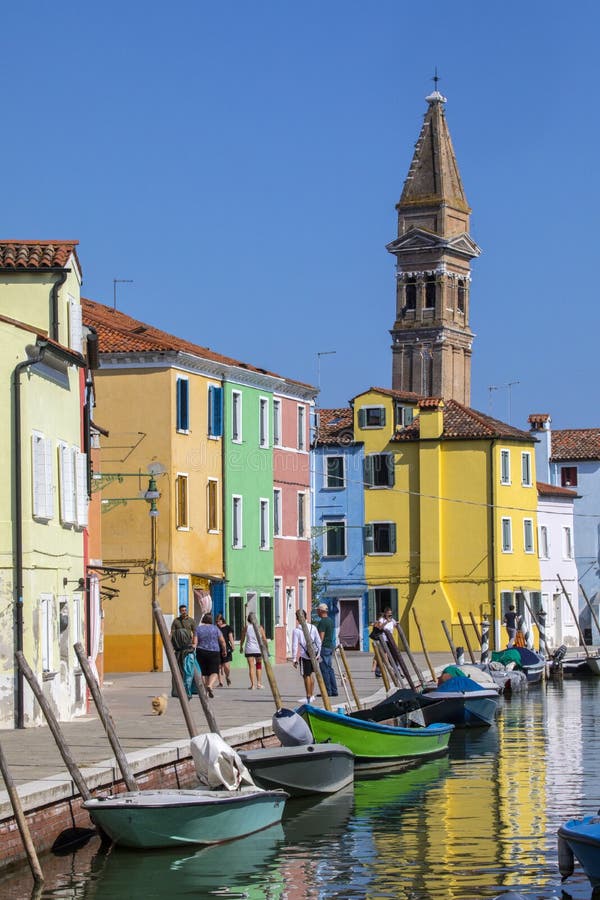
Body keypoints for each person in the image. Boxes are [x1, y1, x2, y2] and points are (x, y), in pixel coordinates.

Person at [193, 613, 227, 698]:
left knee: (204, 672)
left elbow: (195, 642)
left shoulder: (198, 629)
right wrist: (224, 650)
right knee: (214, 671)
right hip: (214, 652)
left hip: (201, 652)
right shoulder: (216, 629)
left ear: (203, 619)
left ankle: (206, 691)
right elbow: (222, 641)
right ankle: (210, 685)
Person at [292, 610, 322, 704]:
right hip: (314, 655)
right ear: (306, 617)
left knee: (306, 676)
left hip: (304, 656)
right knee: (311, 675)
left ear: (297, 619)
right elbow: (318, 642)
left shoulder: (296, 630)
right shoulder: (313, 627)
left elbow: (295, 645)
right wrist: (318, 654)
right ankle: (311, 695)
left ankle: (308, 696)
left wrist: (294, 658)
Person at [169, 605, 196, 696]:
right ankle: (177, 690)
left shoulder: (191, 621)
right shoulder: (176, 621)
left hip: (188, 647)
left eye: (185, 610)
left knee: (189, 669)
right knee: (178, 669)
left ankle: (191, 689)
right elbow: (172, 633)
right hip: (178, 648)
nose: (184, 612)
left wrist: (194, 644)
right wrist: (170, 645)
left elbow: (195, 633)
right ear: (180, 611)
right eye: (182, 610)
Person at [316, 602, 338, 698]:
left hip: (324, 647)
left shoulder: (323, 622)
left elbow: (321, 637)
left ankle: (327, 691)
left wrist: (317, 649)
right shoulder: (330, 620)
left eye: (317, 610)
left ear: (321, 611)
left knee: (324, 669)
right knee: (330, 669)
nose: (317, 612)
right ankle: (334, 690)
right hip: (330, 646)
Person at [239, 615, 266, 689]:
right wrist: (266, 649)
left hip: (249, 649)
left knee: (251, 667)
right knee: (258, 666)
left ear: (248, 620)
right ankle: (259, 683)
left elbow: (242, 638)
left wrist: (241, 647)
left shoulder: (246, 628)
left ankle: (252, 685)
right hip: (258, 650)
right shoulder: (260, 627)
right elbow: (264, 639)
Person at [216, 612, 235, 686]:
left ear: (222, 620)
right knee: (218, 666)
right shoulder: (215, 628)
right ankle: (220, 682)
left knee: (226, 666)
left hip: (226, 647)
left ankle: (227, 676)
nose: (217, 623)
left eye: (218, 621)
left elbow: (230, 637)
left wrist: (233, 645)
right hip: (217, 648)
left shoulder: (228, 628)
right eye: (216, 621)